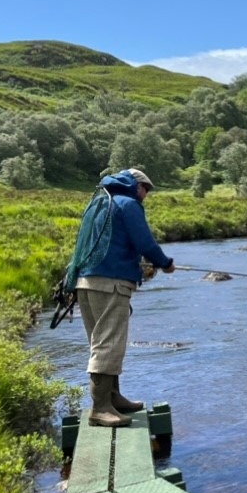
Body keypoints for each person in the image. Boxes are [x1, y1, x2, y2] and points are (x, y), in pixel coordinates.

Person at [76, 168, 176, 427]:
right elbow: (143, 241)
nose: (146, 195)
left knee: (99, 340)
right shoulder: (128, 203)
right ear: (136, 185)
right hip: (111, 283)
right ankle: (100, 408)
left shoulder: (98, 203)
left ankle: (113, 398)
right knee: (109, 342)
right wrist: (164, 262)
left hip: (85, 281)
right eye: (146, 189)